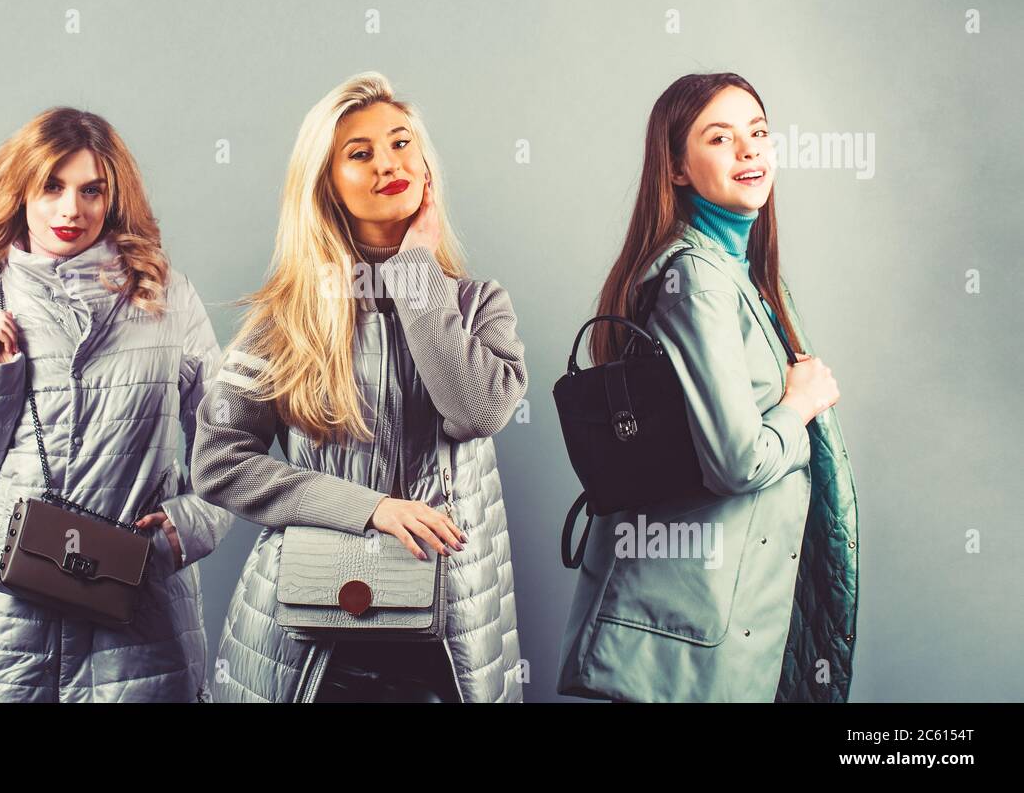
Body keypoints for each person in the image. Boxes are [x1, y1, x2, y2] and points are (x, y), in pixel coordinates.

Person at [190, 72, 528, 702]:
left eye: (401, 144)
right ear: (327, 184)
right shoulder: (285, 319)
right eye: (360, 154)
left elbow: (475, 412)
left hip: (447, 641)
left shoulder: (480, 304)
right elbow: (216, 464)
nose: (387, 165)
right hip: (310, 642)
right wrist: (368, 509)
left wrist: (417, 274)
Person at [557, 73, 859, 702]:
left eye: (758, 133)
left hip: (714, 613)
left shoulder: (738, 272)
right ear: (676, 169)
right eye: (720, 137)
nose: (749, 150)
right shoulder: (698, 279)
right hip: (685, 634)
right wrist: (800, 404)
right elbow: (738, 463)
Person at [0, 106, 235, 701]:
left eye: (91, 190)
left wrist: (181, 531)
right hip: (5, 628)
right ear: (20, 191)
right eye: (52, 187)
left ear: (114, 197)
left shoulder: (167, 298)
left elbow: (229, 451)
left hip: (140, 622)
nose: (72, 209)